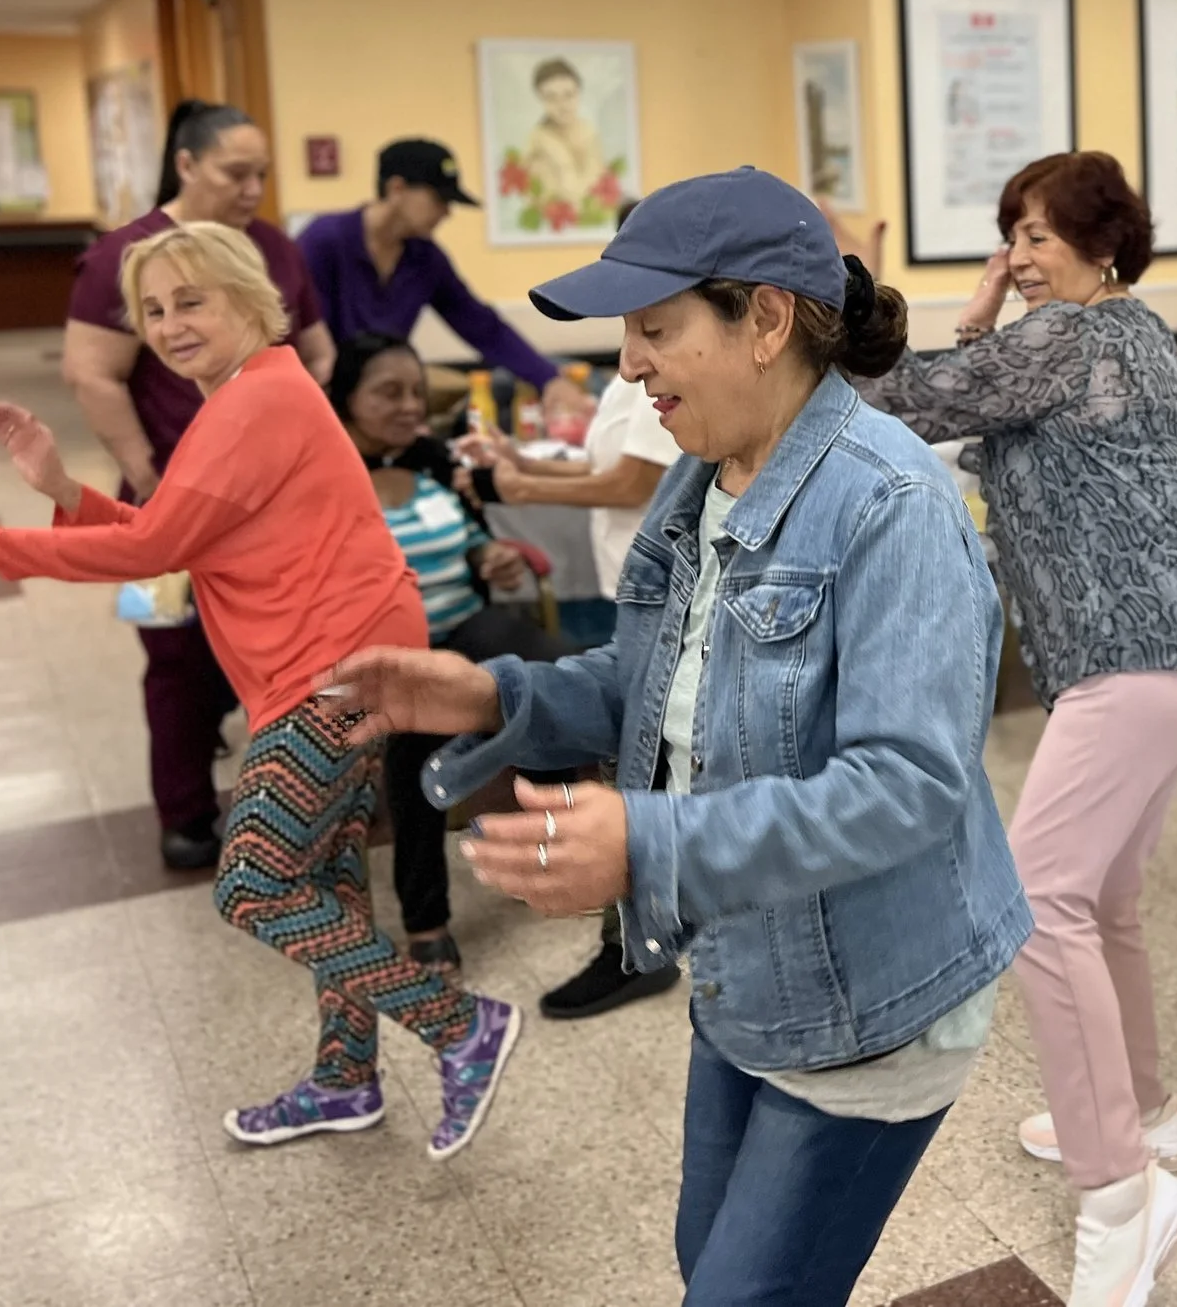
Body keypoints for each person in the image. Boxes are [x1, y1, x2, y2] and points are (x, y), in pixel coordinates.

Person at [330, 168, 1031, 1307]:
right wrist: (491, 696)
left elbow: (906, 786)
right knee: (710, 1268)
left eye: (656, 329)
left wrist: (649, 846)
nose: (630, 365)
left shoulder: (892, 506)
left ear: (763, 319)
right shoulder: (702, 479)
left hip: (873, 1000)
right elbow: (656, 681)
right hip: (750, 970)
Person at [0, 224, 521, 1159]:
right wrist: (63, 490)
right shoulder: (246, 400)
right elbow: (177, 535)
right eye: (155, 310)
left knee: (253, 878)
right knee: (326, 881)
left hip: (333, 671)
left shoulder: (260, 398)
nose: (170, 324)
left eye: (192, 300)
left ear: (251, 297)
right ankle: (345, 1078)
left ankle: (460, 1026)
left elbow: (154, 548)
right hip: (336, 660)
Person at [862, 151, 1177, 1307]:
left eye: (1035, 237)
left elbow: (897, 403)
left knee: (1039, 902)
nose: (1016, 258)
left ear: (1102, 241)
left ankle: (1121, 1194)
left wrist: (964, 321)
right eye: (1008, 235)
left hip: (1136, 657)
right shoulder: (1128, 335)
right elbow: (959, 401)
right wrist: (981, 321)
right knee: (1105, 900)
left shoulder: (1075, 339)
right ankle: (1145, 1114)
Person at [60, 99, 336, 870]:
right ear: (186, 164)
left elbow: (317, 350)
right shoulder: (128, 253)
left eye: (261, 174)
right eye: (235, 173)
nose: (253, 188)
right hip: (164, 489)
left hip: (268, 501)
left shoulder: (274, 249)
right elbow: (92, 374)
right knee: (176, 657)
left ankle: (286, 805)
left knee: (278, 647)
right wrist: (154, 480)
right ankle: (185, 813)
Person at [450, 197, 688, 1020]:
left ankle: (638, 945)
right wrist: (522, 468)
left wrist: (524, 483)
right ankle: (642, 934)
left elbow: (638, 480)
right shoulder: (636, 347)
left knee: (649, 771)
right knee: (639, 758)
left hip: (664, 586)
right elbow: (608, 464)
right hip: (635, 583)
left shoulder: (680, 347)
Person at [327, 330, 580, 978]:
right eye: (389, 392)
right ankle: (427, 920)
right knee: (416, 744)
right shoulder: (327, 475)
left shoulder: (434, 458)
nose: (410, 405)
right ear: (346, 399)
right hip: (386, 644)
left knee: (555, 678)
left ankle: (561, 850)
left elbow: (473, 537)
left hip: (467, 621)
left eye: (417, 391)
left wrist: (487, 556)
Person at [295, 138, 591, 422]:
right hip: (324, 404)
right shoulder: (325, 241)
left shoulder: (425, 258)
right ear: (397, 188)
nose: (447, 212)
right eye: (439, 199)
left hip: (383, 410)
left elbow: (482, 326)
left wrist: (548, 378)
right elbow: (307, 341)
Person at [525, 59, 608, 207]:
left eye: (568, 95)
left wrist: (562, 161)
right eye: (551, 98)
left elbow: (588, 194)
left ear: (579, 93)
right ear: (540, 99)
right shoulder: (537, 139)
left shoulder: (588, 132)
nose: (561, 105)